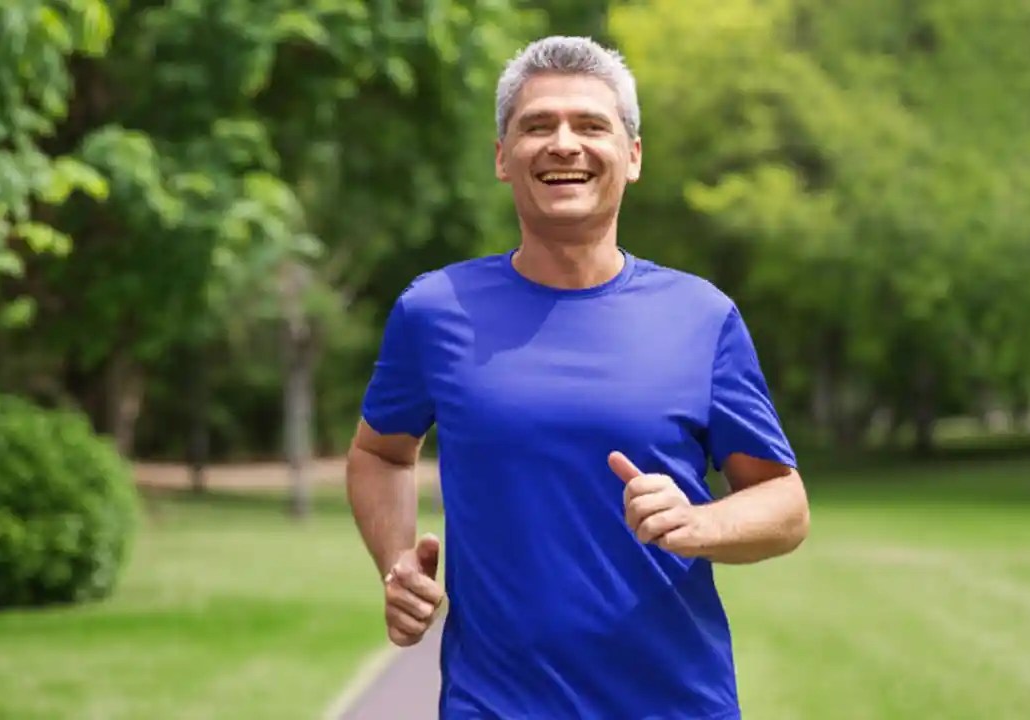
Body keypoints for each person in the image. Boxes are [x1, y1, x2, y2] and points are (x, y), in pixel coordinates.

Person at [346, 35, 810, 720]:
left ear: (633, 155)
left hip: (674, 703)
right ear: (504, 158)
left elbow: (785, 505)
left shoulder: (701, 316)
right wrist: (396, 561)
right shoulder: (434, 310)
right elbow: (379, 452)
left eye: (591, 125)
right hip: (493, 703)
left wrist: (696, 523)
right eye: (538, 125)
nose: (564, 144)